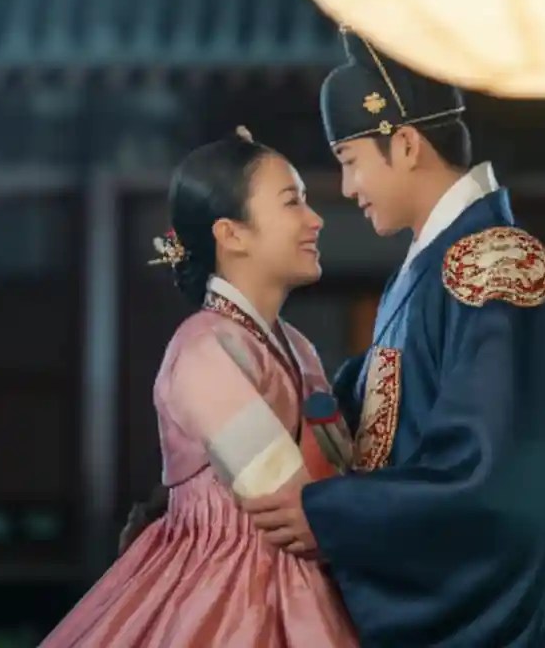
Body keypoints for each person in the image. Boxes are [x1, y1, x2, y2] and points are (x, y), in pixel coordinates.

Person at [241, 28, 545, 647]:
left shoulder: (494, 262)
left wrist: (327, 514)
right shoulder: (434, 266)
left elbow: (490, 480)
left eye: (351, 162)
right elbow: (361, 409)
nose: (348, 189)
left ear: (404, 145)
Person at [40, 128, 358, 648]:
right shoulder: (203, 350)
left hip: (304, 569)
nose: (314, 218)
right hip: (233, 584)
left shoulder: (296, 345)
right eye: (292, 202)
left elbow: (329, 473)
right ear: (231, 234)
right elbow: (286, 503)